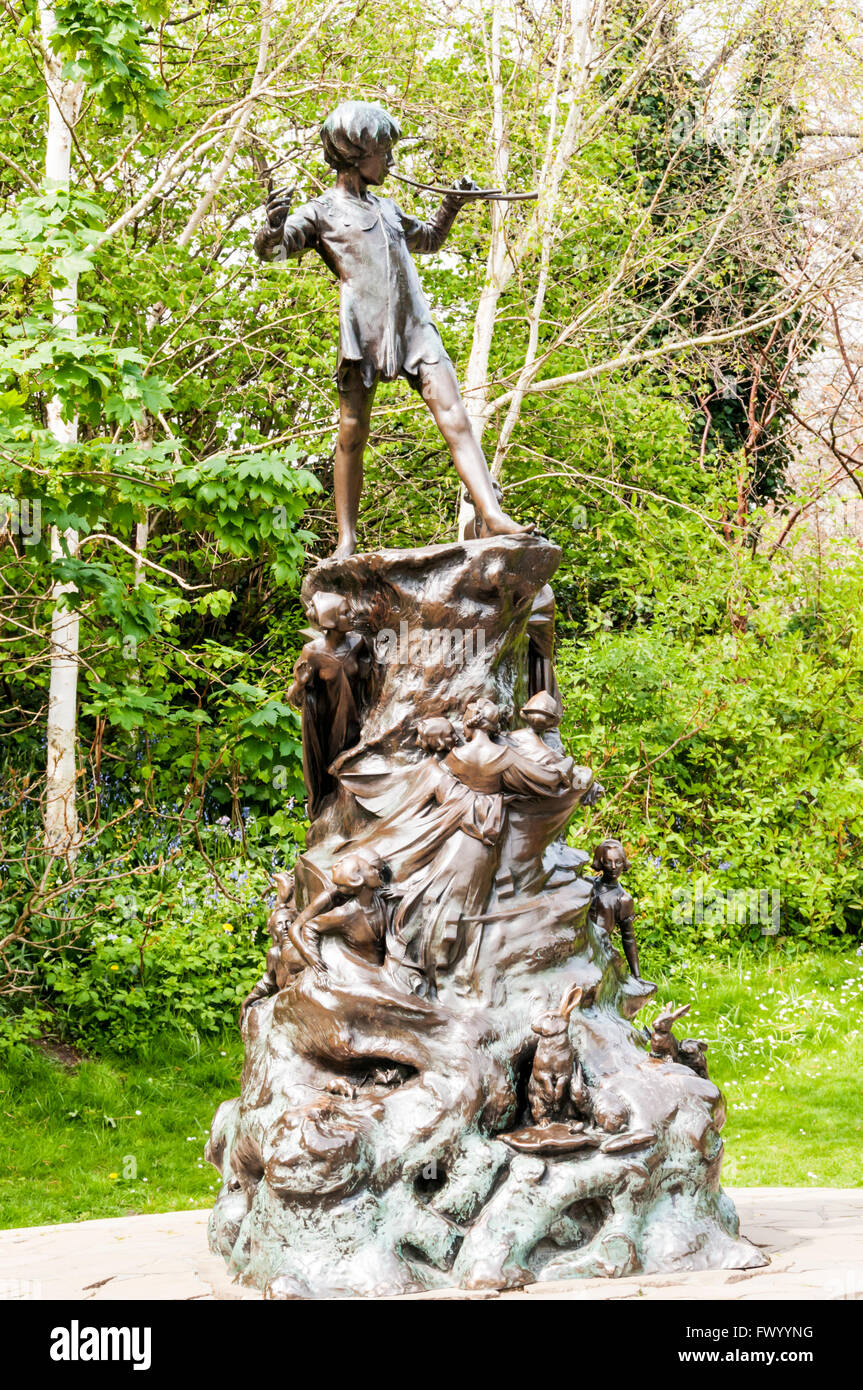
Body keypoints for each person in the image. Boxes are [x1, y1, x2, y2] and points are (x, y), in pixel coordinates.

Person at [254, 100, 531, 558]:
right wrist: (272, 227)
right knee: (352, 430)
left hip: (413, 324)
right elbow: (275, 252)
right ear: (355, 153)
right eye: (385, 152)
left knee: (455, 417)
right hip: (363, 328)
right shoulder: (320, 212)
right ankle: (346, 540)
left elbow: (430, 241)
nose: (392, 161)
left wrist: (451, 205)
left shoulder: (388, 207)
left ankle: (492, 513)